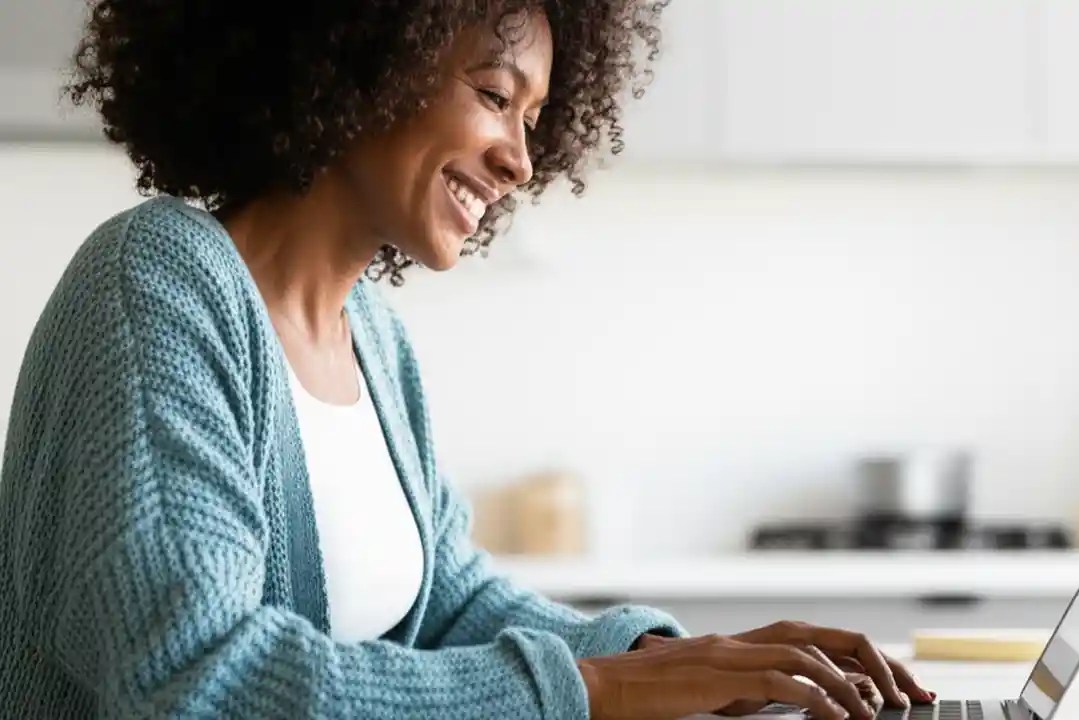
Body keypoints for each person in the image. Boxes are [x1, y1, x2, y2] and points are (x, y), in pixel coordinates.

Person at [0, 2, 936, 718]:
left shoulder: (373, 334)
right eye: (495, 97)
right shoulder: (156, 282)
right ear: (361, 56)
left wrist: (664, 659)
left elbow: (445, 598)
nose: (522, 162)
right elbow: (196, 679)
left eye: (533, 118)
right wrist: (592, 690)